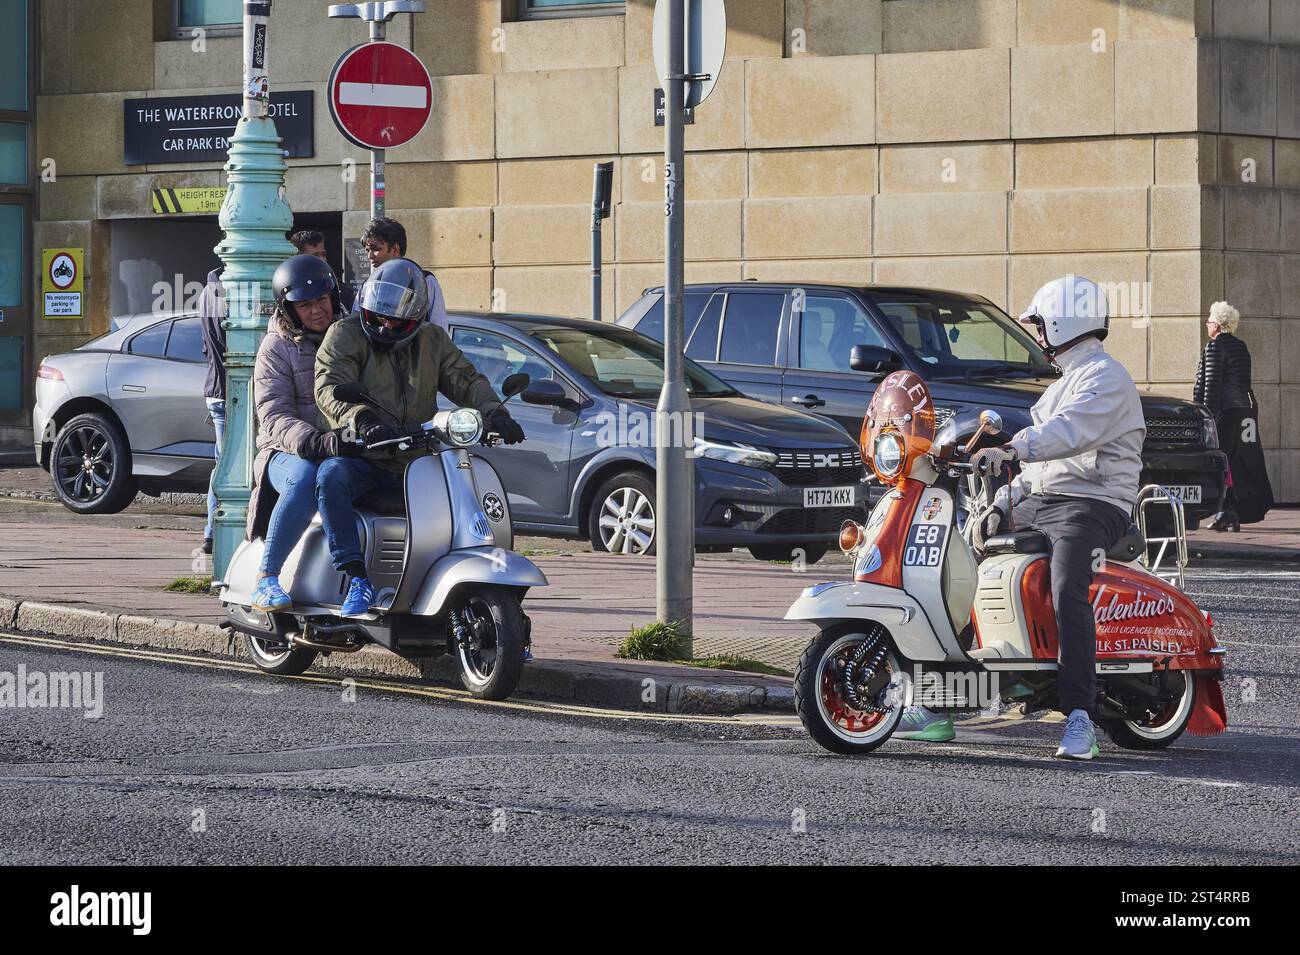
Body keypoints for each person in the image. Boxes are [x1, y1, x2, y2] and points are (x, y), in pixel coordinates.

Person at [902, 275, 1145, 761]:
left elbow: (1069, 435)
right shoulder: (1061, 387)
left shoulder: (1107, 378)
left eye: (1039, 325)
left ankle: (1079, 715)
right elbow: (1038, 467)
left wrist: (1014, 446)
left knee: (1065, 580)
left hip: (1095, 503)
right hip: (1047, 498)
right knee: (962, 562)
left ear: (1061, 323)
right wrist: (999, 500)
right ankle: (939, 701)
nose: (1036, 335)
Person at [314, 257, 525, 617]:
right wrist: (362, 420)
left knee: (465, 497)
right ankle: (356, 577)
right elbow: (329, 384)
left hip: (418, 458)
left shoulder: (432, 340)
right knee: (331, 478)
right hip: (366, 455)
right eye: (379, 315)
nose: (385, 323)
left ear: (415, 318)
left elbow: (465, 379)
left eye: (394, 319)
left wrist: (495, 411)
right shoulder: (345, 333)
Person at [244, 255, 360, 612]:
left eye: (322, 300)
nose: (316, 310)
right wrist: (311, 441)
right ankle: (266, 578)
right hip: (285, 451)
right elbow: (273, 413)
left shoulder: (352, 336)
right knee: (308, 477)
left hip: (345, 447)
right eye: (305, 304)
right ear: (288, 308)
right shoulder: (276, 347)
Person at [1194, 301, 1273, 531]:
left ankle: (1223, 511)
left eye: (1209, 321)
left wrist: (1204, 415)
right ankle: (1233, 511)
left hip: (1226, 413)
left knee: (1222, 462)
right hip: (1247, 411)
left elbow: (1211, 387)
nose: (1207, 325)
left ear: (1217, 325)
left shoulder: (1214, 347)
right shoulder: (1242, 347)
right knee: (1242, 462)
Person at [360, 217, 449, 331]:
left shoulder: (425, 281)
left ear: (394, 249)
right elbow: (357, 326)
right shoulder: (368, 286)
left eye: (376, 249)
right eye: (367, 250)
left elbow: (440, 331)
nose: (370, 256)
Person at [198, 265, 226, 556]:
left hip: (215, 389)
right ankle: (216, 529)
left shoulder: (208, 291)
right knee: (229, 465)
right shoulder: (231, 291)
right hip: (230, 392)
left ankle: (211, 530)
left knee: (221, 463)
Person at [291, 229, 355, 312]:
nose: (322, 260)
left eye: (323, 255)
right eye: (316, 256)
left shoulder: (337, 287)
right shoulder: (290, 289)